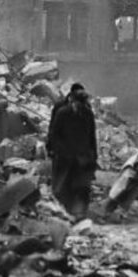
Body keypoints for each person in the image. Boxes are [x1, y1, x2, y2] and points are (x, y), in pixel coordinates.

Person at [45, 83, 97, 220]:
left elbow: (54, 133)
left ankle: (73, 213)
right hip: (74, 154)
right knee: (70, 184)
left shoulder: (80, 111)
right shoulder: (66, 110)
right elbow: (92, 137)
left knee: (74, 185)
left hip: (70, 154)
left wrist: (52, 148)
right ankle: (69, 212)